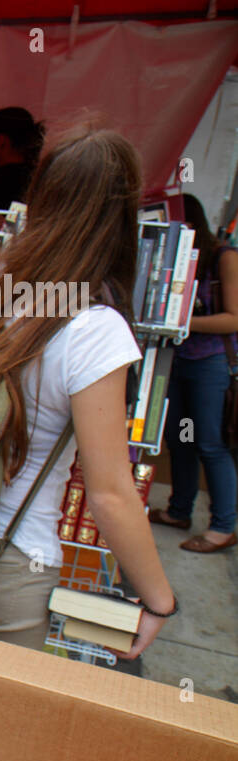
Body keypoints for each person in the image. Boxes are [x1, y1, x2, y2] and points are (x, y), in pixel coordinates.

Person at [0, 123, 175, 659]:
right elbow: (110, 492)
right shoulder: (94, 329)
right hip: (10, 558)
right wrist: (157, 600)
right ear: (118, 216)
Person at [151, 194, 238, 552]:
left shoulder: (223, 258)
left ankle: (223, 526)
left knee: (208, 443)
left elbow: (233, 318)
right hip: (179, 362)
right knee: (180, 438)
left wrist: (182, 322)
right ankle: (179, 509)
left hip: (210, 364)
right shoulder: (174, 257)